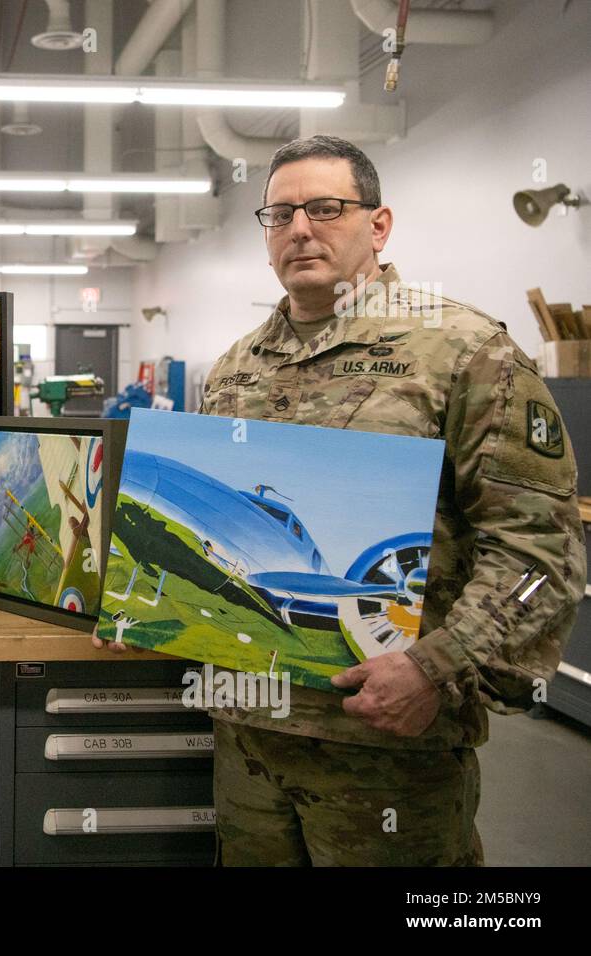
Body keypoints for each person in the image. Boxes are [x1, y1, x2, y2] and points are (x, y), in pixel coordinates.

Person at [95, 134, 584, 866]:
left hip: (389, 746)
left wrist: (437, 667)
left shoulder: (465, 351)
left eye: (326, 209)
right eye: (281, 214)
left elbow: (541, 552)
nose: (300, 229)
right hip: (249, 739)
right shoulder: (235, 369)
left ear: (378, 225)